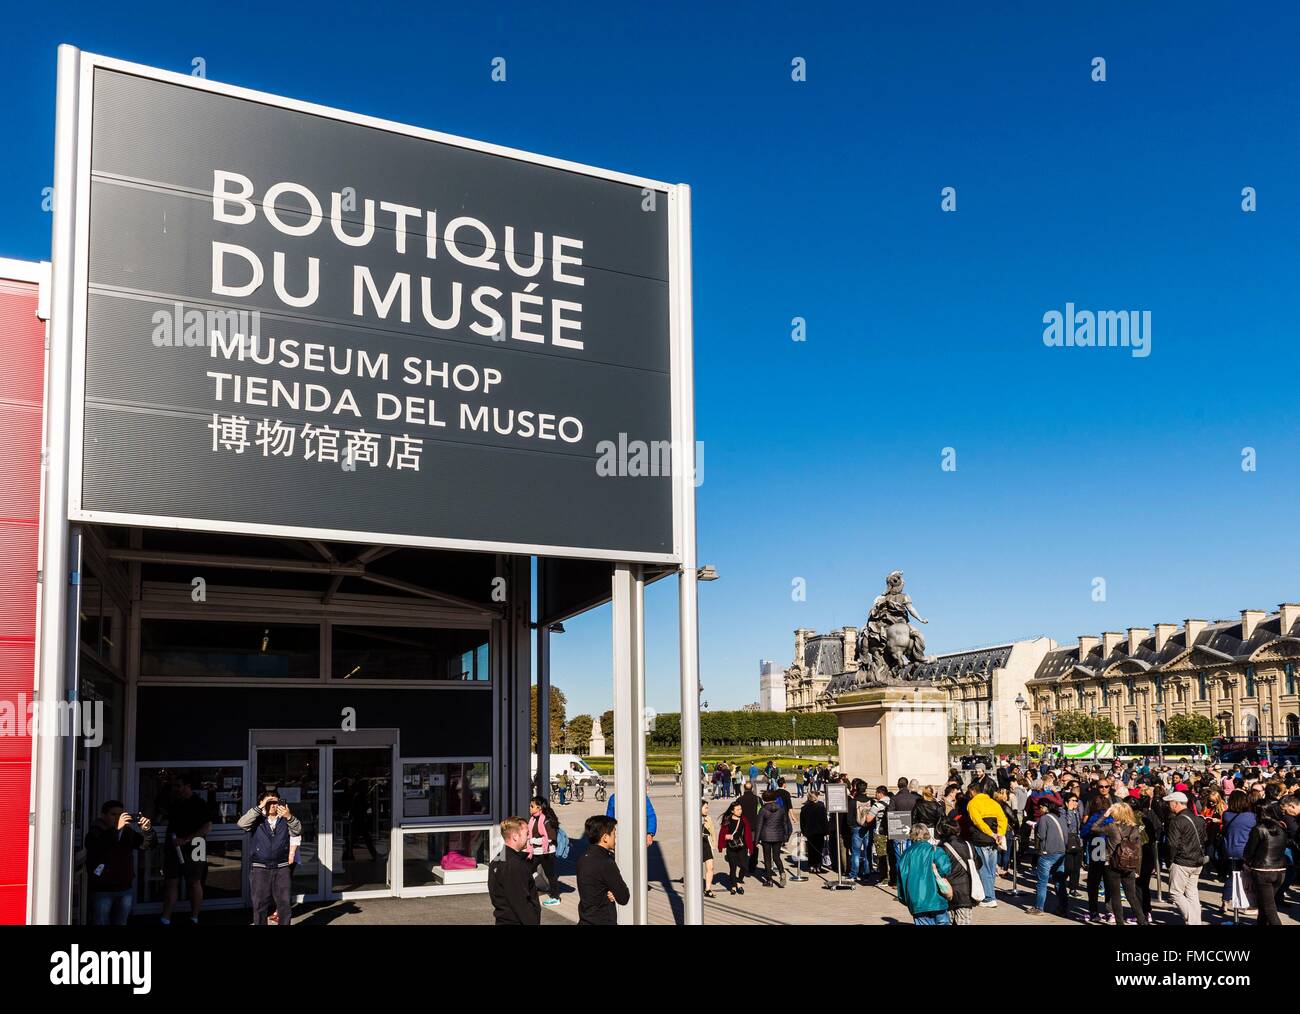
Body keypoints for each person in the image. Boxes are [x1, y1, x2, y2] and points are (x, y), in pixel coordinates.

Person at [85, 801, 155, 925]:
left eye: (120, 814)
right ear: (103, 815)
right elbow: (100, 846)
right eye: (113, 814)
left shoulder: (127, 832)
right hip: (102, 889)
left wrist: (148, 830)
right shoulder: (95, 831)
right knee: (100, 922)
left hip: (124, 888)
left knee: (121, 922)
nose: (117, 818)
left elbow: (148, 845)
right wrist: (117, 829)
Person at [238, 792, 302, 926]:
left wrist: (288, 816)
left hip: (282, 866)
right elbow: (242, 824)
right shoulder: (256, 819)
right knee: (260, 904)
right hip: (260, 867)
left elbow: (297, 830)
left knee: (284, 904)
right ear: (262, 803)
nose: (273, 805)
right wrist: (260, 806)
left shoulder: (285, 818)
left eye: (275, 802)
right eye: (269, 802)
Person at [160, 774, 212, 925]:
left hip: (196, 846)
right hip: (174, 847)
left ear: (188, 786)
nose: (176, 789)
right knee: (171, 881)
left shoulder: (199, 803)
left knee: (195, 882)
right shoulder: (174, 803)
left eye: (178, 785)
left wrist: (186, 839)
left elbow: (207, 827)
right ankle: (165, 918)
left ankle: (194, 917)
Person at [1095, 801, 1148, 926]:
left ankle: (1120, 922)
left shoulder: (1111, 827)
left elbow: (1094, 828)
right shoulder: (1134, 828)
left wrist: (1105, 816)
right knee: (1132, 896)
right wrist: (1137, 870)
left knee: (1115, 896)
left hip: (1112, 864)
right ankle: (1142, 921)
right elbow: (1138, 851)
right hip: (1129, 864)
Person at [896, 821, 953, 925]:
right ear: (927, 834)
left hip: (916, 900)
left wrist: (905, 899)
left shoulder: (905, 854)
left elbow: (901, 878)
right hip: (937, 899)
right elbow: (946, 869)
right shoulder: (935, 850)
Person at [576, 815, 629, 924]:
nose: (615, 837)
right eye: (614, 833)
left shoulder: (583, 858)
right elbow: (624, 897)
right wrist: (613, 891)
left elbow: (594, 887)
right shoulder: (606, 863)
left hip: (585, 918)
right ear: (605, 837)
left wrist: (610, 891)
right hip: (603, 919)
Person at [488, 816, 541, 925]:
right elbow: (522, 904)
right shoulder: (515, 865)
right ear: (515, 837)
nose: (529, 837)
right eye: (527, 834)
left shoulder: (497, 859)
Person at [1165, 791, 1207, 925]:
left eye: (1169, 803)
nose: (1168, 806)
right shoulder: (1198, 819)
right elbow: (1204, 838)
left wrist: (1169, 861)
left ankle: (1193, 921)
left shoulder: (1176, 821)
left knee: (1175, 893)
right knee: (1192, 893)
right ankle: (1196, 921)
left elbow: (1172, 844)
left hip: (1182, 861)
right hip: (1197, 861)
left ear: (1176, 804)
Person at [1244, 802, 1288, 926]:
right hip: (1280, 870)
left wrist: (1246, 861)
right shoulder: (1281, 827)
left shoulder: (1258, 828)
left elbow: (1249, 851)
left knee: (1269, 908)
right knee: (1265, 904)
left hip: (1263, 871)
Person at [964, 781, 1006, 908]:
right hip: (993, 840)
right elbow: (1003, 819)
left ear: (972, 791)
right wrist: (999, 834)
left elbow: (978, 822)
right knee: (991, 869)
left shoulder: (972, 804)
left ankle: (989, 898)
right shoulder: (993, 803)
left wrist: (991, 834)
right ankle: (990, 894)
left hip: (981, 839)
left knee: (983, 869)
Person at [937, 817, 980, 924]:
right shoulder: (968, 845)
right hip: (966, 891)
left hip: (947, 891)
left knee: (947, 922)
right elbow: (978, 864)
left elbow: (940, 870)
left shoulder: (941, 847)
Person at [1031, 797, 1069, 917]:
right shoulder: (1061, 817)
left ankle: (1039, 907)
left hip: (1047, 854)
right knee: (1059, 882)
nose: (1040, 810)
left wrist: (1035, 827)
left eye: (1040, 808)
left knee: (1042, 882)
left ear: (1044, 807)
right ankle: (1063, 908)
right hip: (1061, 853)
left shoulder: (1044, 818)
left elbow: (1041, 835)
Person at [526, 796, 563, 907]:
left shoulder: (547, 820)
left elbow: (550, 838)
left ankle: (555, 897)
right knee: (526, 871)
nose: (530, 808)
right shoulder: (533, 819)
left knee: (550, 875)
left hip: (547, 852)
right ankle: (525, 892)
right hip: (536, 852)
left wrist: (532, 840)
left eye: (532, 806)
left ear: (539, 807)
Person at [755, 790, 792, 887]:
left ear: (764, 799)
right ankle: (782, 872)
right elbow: (785, 823)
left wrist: (756, 840)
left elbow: (759, 826)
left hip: (766, 836)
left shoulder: (763, 810)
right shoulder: (781, 808)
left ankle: (769, 880)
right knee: (776, 857)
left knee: (767, 858)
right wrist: (786, 835)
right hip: (778, 835)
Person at [718, 800, 754, 894]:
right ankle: (735, 886)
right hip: (731, 847)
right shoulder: (727, 820)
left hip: (742, 847)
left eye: (740, 809)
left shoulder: (743, 820)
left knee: (744, 866)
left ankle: (738, 881)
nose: (740, 811)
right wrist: (725, 839)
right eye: (737, 809)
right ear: (732, 811)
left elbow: (748, 835)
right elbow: (722, 834)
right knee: (733, 868)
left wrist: (750, 847)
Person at [800, 790, 829, 873]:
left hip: (809, 831)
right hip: (820, 831)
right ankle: (818, 865)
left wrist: (803, 830)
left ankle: (811, 865)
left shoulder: (804, 808)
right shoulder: (821, 807)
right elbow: (824, 820)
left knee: (811, 849)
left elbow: (802, 821)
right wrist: (826, 830)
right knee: (819, 849)